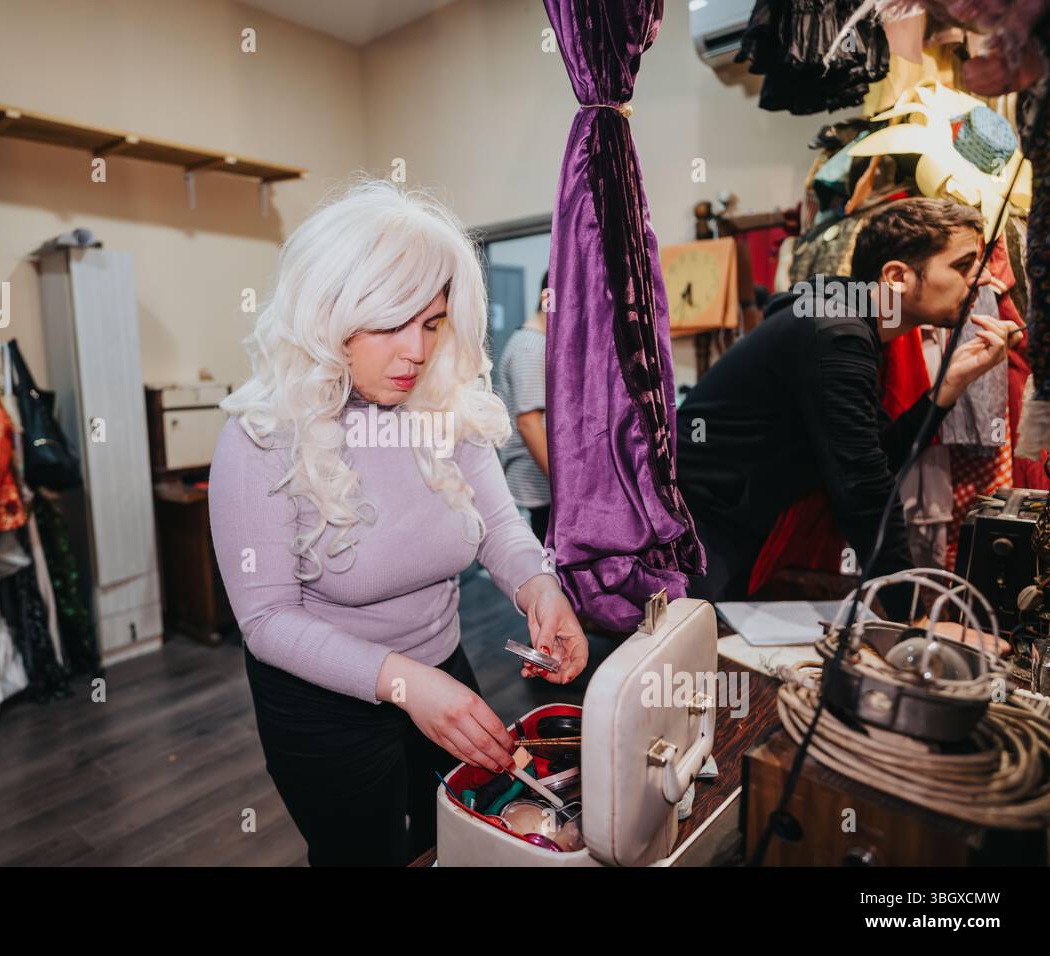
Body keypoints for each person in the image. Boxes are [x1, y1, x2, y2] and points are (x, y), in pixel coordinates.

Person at [208, 178, 588, 866]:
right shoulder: (259, 438)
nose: (416, 350)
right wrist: (406, 684)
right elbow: (267, 621)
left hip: (443, 665)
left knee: (462, 842)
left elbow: (501, 529)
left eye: (433, 323)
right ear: (328, 313)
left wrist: (540, 588)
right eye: (390, 324)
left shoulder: (445, 406)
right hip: (322, 701)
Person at [675, 198, 1024, 621]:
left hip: (721, 524)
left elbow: (880, 455)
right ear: (897, 276)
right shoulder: (835, 332)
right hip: (694, 531)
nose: (984, 278)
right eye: (964, 264)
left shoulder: (842, 321)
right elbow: (865, 488)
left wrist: (949, 386)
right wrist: (909, 621)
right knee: (689, 655)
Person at [496, 271, 552, 541]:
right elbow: (529, 423)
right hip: (541, 488)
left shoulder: (540, 344)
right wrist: (568, 489)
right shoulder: (530, 347)